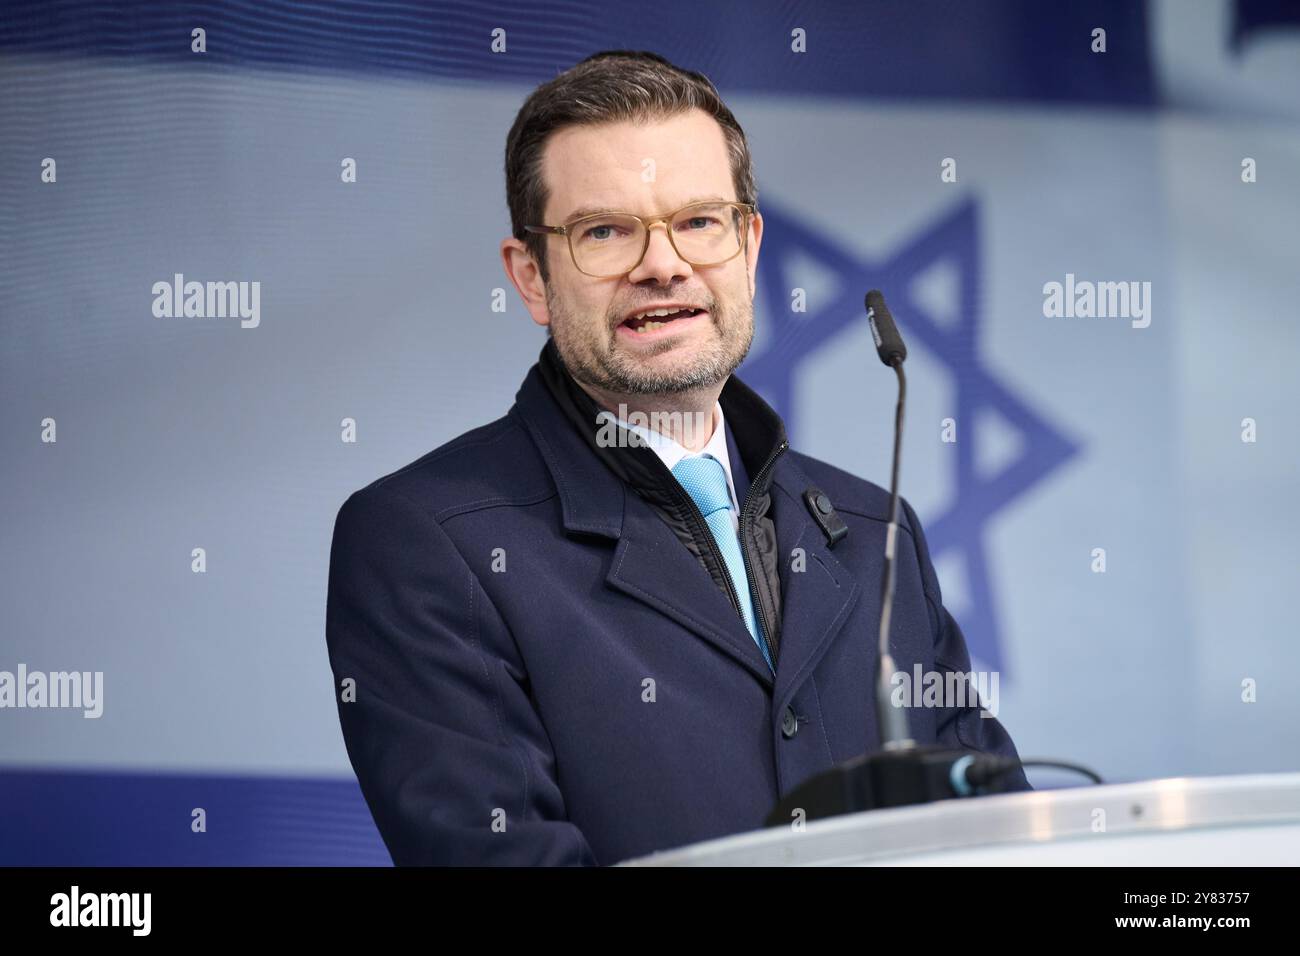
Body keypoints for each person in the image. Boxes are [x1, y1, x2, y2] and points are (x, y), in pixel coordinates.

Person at [325, 50, 1030, 867]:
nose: (663, 264)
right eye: (605, 231)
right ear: (532, 278)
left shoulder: (880, 533)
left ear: (749, 245)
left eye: (698, 221)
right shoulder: (425, 542)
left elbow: (994, 836)